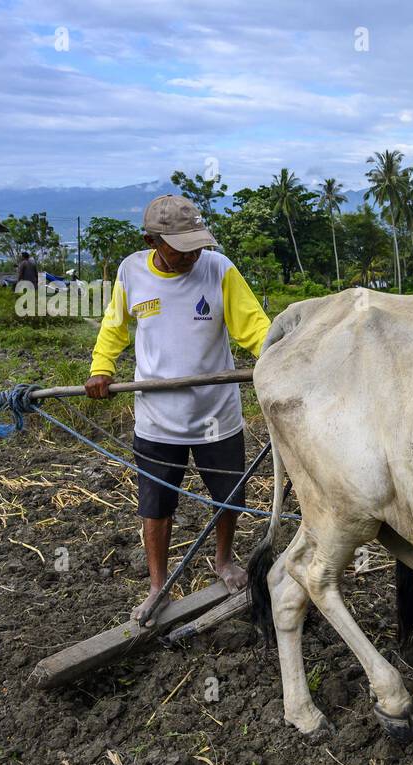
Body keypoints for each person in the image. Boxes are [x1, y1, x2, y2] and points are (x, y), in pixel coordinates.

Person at [84, 195, 270, 624]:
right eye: (179, 247)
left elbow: (254, 327)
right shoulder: (131, 272)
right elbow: (114, 327)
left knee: (228, 497)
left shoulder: (218, 269)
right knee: (156, 504)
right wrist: (100, 368)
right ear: (151, 240)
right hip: (157, 418)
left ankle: (224, 561)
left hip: (215, 414)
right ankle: (157, 585)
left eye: (197, 245)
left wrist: (278, 357)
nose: (191, 255)